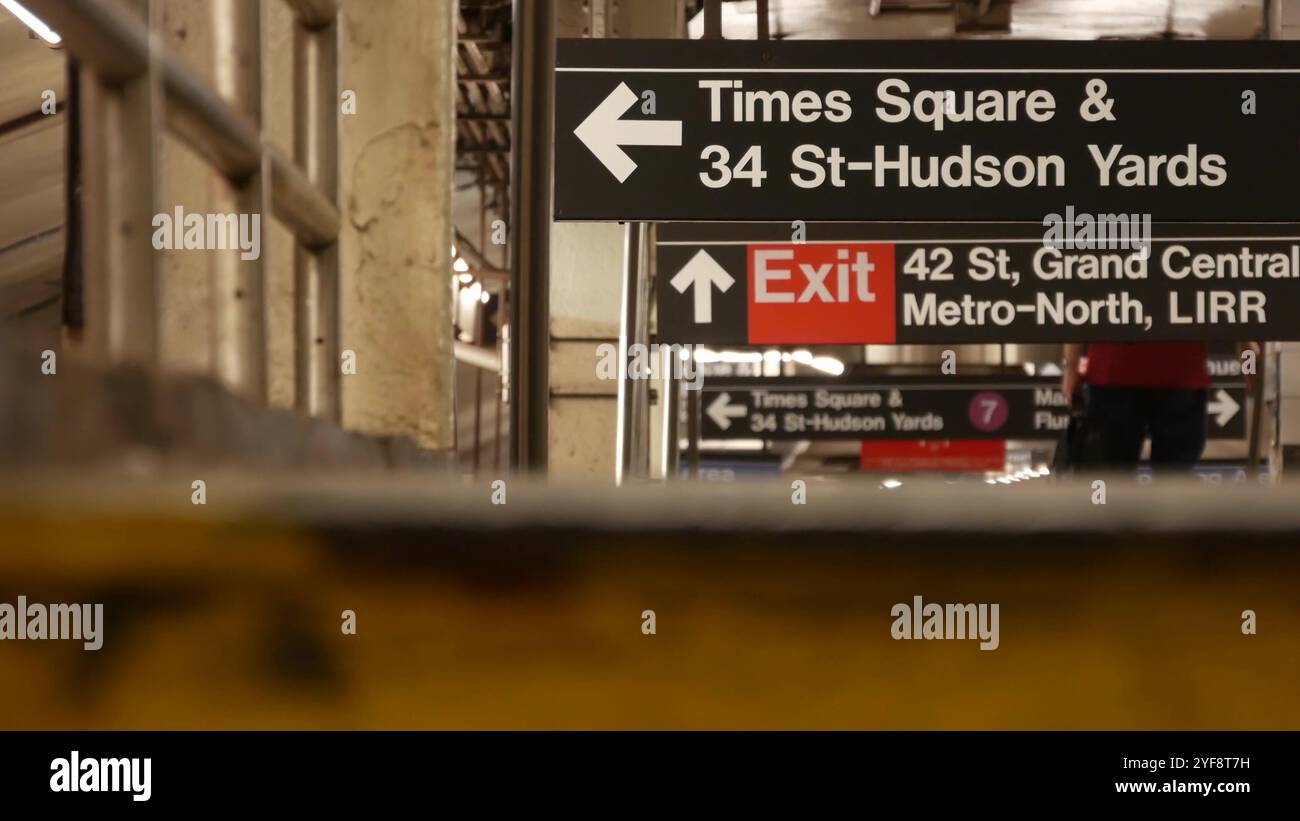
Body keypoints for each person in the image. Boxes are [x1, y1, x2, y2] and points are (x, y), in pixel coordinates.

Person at [1061, 342, 1209, 472]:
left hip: (1115, 373)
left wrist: (1071, 366)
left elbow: (1076, 312)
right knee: (1174, 478)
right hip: (1179, 371)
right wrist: (1071, 366)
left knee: (1106, 479)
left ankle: (1101, 501)